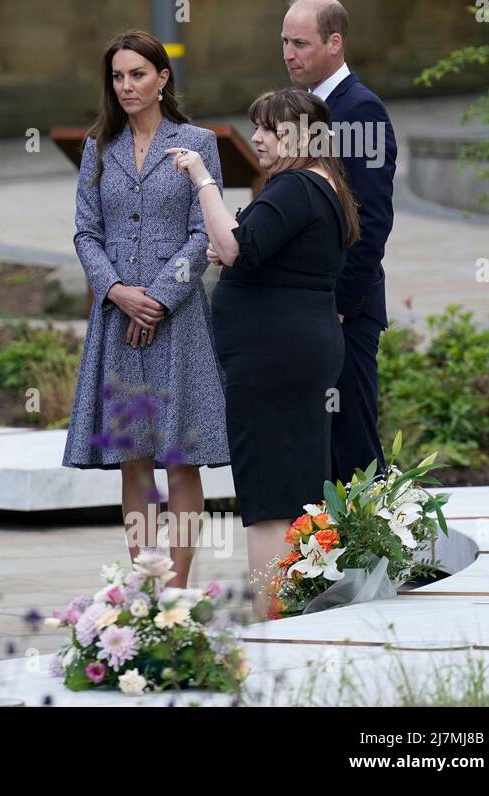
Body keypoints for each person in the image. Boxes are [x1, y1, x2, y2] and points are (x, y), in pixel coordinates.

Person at [172, 88, 361, 619]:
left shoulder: (295, 186)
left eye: (269, 129)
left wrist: (202, 179)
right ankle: (302, 611)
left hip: (271, 357)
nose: (256, 137)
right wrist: (234, 245)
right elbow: (255, 249)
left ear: (303, 136)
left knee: (268, 496)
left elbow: (235, 248)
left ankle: (271, 621)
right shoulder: (324, 186)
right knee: (298, 488)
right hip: (298, 350)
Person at [63, 29, 230, 589]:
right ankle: (144, 586)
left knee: (179, 456)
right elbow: (86, 232)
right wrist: (116, 291)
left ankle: (178, 592)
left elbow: (200, 232)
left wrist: (156, 296)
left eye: (138, 74)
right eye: (118, 76)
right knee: (133, 457)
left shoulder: (197, 142)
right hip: (116, 319)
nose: (127, 85)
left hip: (176, 321)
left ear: (162, 79)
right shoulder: (98, 148)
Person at [282, 0, 396, 485]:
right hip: (309, 306)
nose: (289, 53)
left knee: (354, 448)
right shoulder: (305, 110)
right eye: (284, 41)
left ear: (334, 42)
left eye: (300, 43)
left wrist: (340, 304)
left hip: (343, 309)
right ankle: (323, 558)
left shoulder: (359, 110)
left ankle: (384, 560)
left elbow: (370, 223)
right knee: (320, 448)